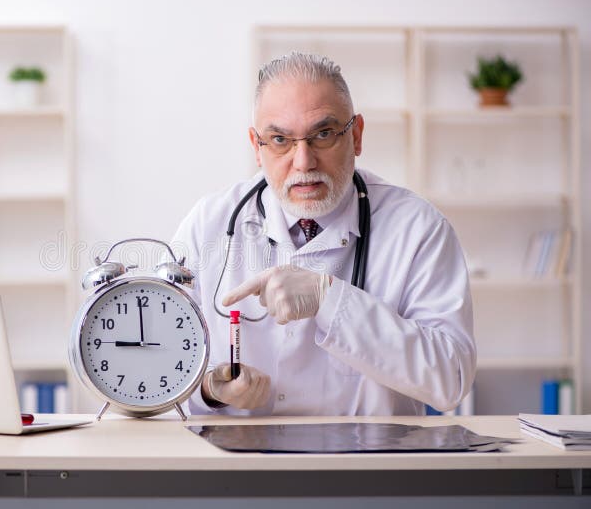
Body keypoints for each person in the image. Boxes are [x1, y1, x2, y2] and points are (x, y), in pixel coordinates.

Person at [171, 52, 476, 416]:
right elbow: (160, 359)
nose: (303, 162)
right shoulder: (209, 222)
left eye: (323, 134)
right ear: (257, 147)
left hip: (365, 467)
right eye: (280, 139)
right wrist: (207, 388)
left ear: (357, 135)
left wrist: (330, 301)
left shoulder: (417, 228)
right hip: (238, 467)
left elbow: (451, 378)